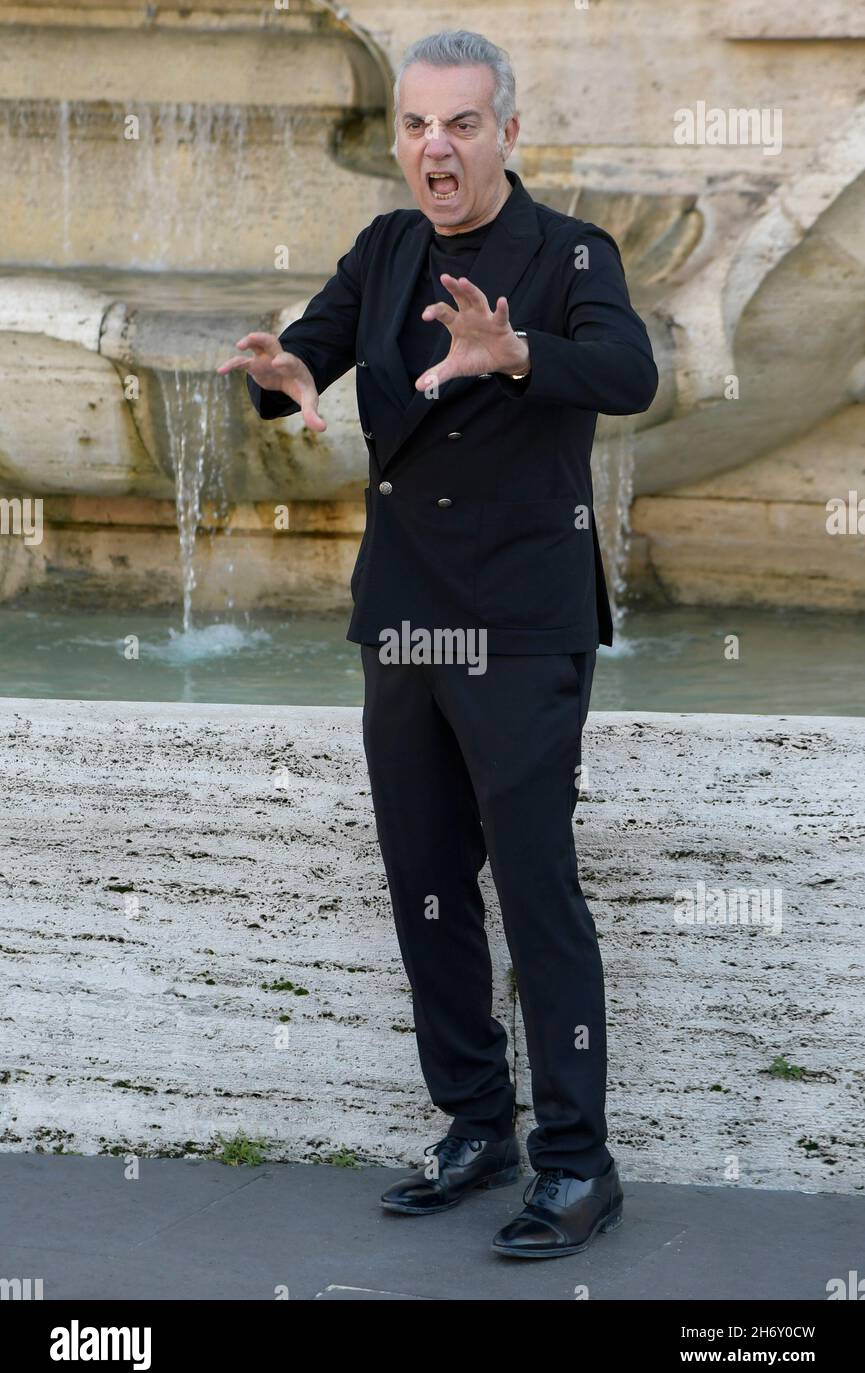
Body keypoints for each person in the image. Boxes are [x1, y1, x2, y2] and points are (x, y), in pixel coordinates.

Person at [218, 28, 658, 1259]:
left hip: (521, 620)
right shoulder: (387, 245)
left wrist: (516, 350)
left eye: (461, 123)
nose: (436, 147)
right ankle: (479, 1122)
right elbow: (308, 342)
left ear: (506, 131)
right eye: (417, 125)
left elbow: (631, 372)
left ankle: (578, 1164)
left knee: (535, 888)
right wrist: (286, 368)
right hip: (404, 608)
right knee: (423, 881)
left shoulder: (572, 251)